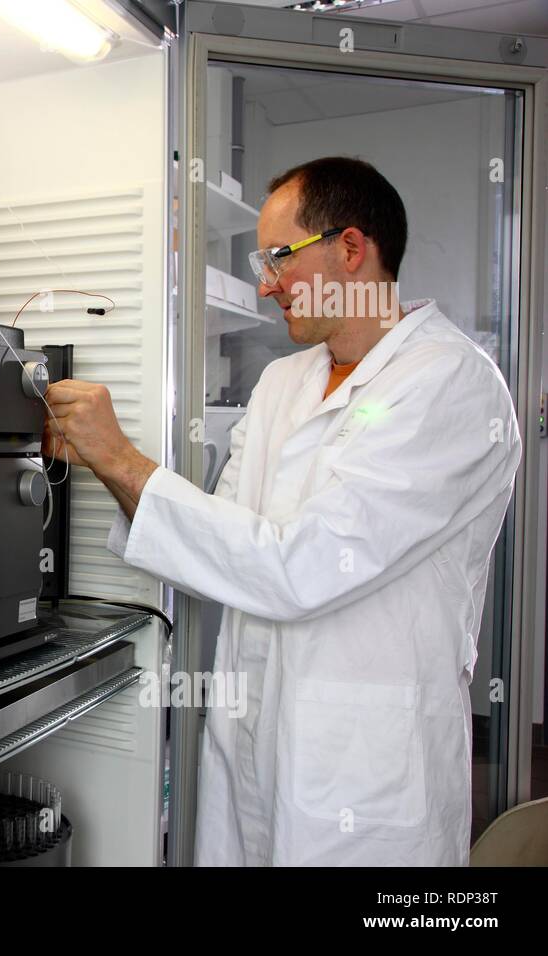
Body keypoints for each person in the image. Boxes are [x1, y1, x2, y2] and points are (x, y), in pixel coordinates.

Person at [43, 156, 520, 866]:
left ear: (351, 249)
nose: (266, 283)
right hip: (251, 746)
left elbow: (299, 566)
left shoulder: (450, 385)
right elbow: (221, 546)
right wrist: (107, 464)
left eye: (278, 257)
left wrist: (122, 459)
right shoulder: (282, 382)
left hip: (367, 771)